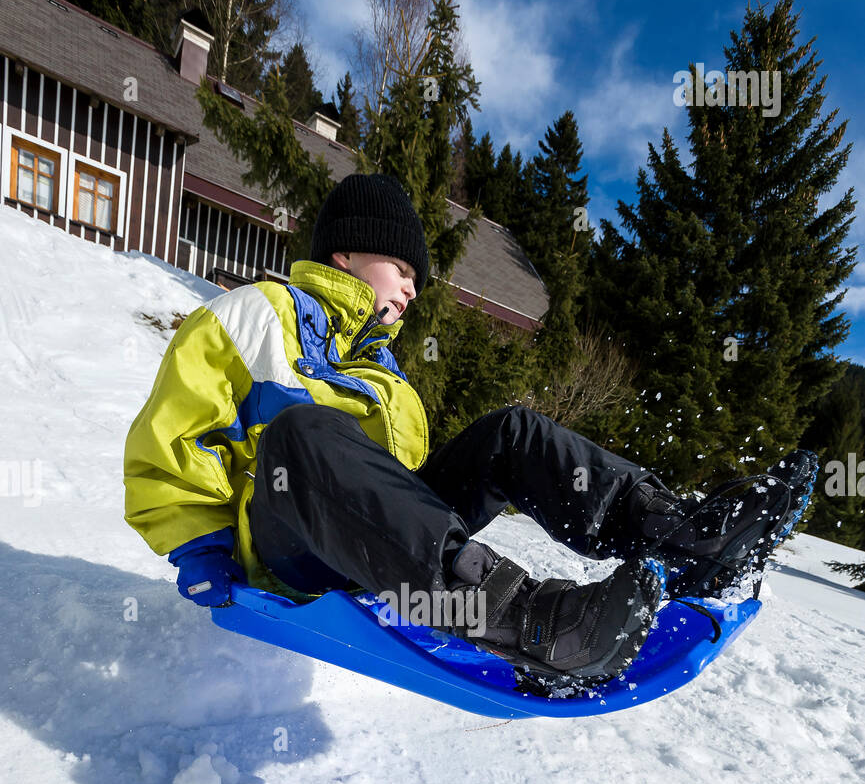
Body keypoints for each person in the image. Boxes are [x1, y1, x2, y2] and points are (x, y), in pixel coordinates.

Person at [123, 173, 810, 688]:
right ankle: (531, 621)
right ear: (345, 255)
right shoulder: (250, 314)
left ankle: (686, 539)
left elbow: (399, 493)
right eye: (403, 268)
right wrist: (200, 549)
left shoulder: (387, 376)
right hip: (286, 552)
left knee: (510, 431)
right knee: (304, 432)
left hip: (382, 556)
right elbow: (173, 438)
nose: (415, 288)